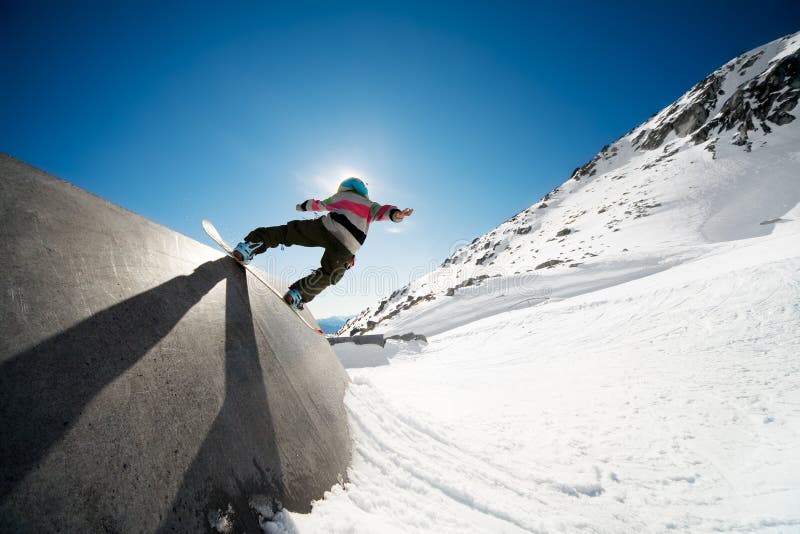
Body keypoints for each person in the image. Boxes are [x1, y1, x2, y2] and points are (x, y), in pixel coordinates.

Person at [233, 177, 413, 310]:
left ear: (344, 187)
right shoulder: (370, 205)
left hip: (326, 228)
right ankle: (298, 294)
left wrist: (302, 206)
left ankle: (250, 246)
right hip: (347, 247)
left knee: (289, 233)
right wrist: (396, 214)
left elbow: (318, 205)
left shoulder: (340, 196)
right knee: (330, 274)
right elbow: (383, 211)